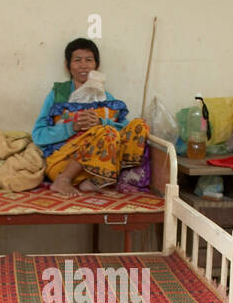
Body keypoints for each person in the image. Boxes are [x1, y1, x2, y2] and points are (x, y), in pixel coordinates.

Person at [31, 38, 150, 195]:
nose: (83, 65)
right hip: (62, 165)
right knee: (105, 132)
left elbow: (125, 128)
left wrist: (101, 122)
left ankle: (97, 181)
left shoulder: (105, 97)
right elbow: (38, 135)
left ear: (96, 66)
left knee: (139, 126)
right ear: (68, 66)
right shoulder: (57, 95)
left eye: (89, 60)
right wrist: (72, 127)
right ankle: (63, 180)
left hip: (99, 169)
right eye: (77, 60)